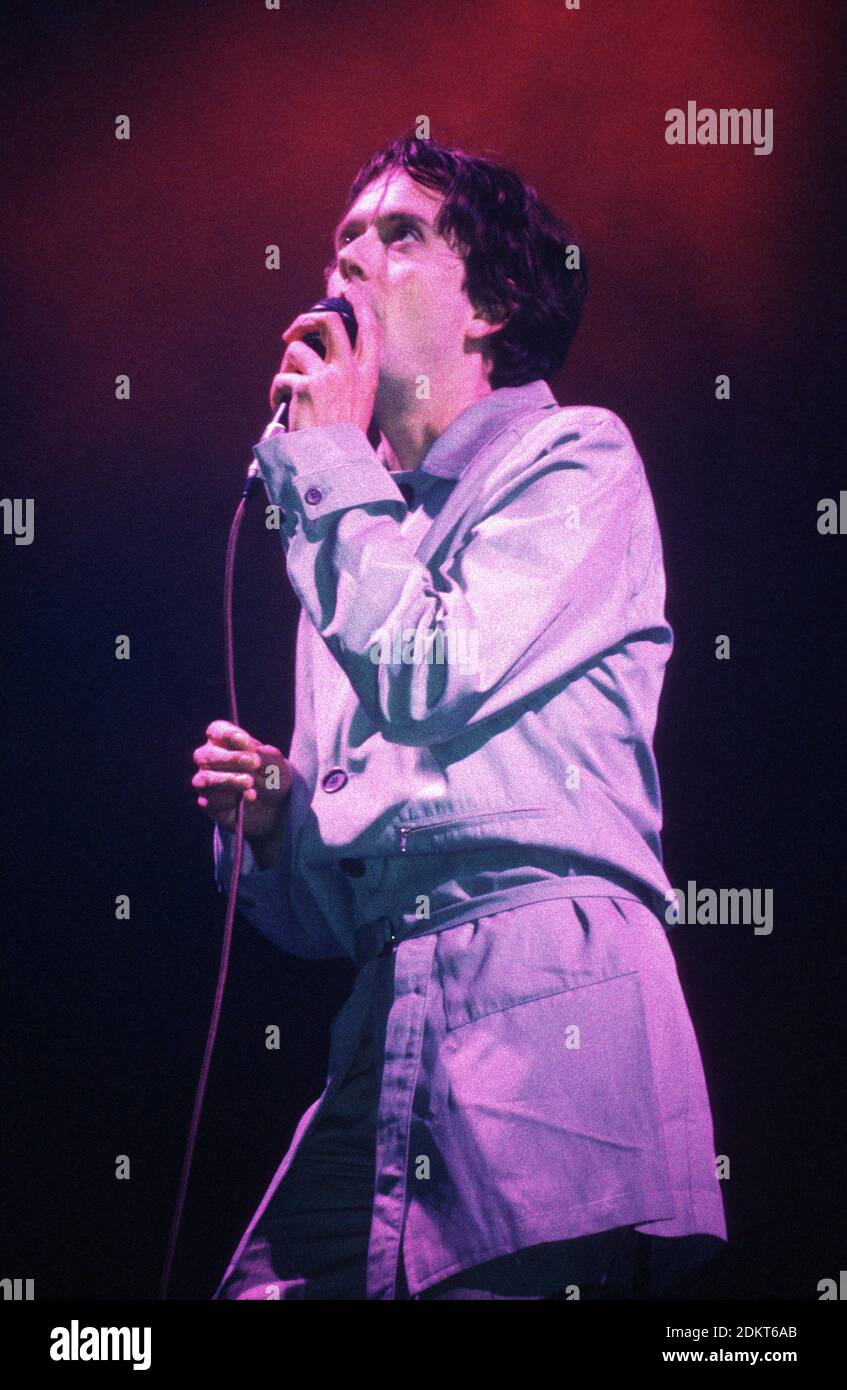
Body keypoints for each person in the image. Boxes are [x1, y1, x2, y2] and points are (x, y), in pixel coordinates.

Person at [191, 134, 728, 1300]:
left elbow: (433, 672)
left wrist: (328, 464)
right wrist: (282, 829)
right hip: (387, 1022)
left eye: (400, 234)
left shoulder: (574, 460)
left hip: (549, 1023)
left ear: (490, 304)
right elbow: (337, 907)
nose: (351, 259)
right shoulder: (350, 530)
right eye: (344, 236)